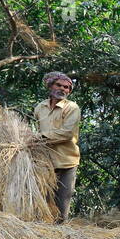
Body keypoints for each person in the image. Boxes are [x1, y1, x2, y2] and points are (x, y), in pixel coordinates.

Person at [32, 71, 81, 223]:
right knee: (43, 205)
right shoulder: (40, 108)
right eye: (59, 85)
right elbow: (37, 129)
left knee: (61, 208)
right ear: (50, 86)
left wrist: (39, 138)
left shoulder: (72, 108)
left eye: (67, 87)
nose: (63, 89)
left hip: (66, 162)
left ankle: (60, 237)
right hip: (44, 163)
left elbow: (67, 134)